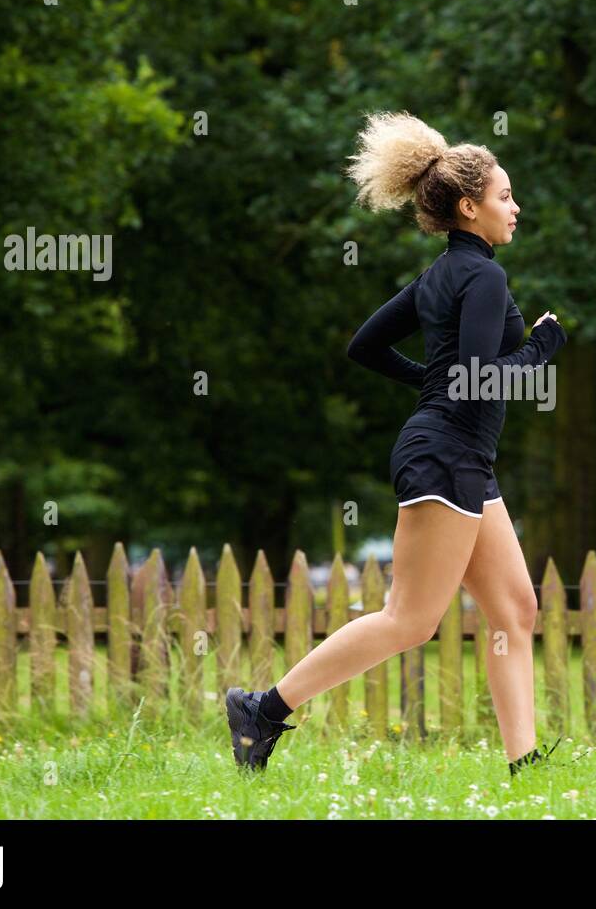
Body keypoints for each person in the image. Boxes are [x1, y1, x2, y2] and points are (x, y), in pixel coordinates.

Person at [226, 110, 569, 778]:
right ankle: (264, 709)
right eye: (505, 196)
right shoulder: (485, 277)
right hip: (447, 453)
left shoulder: (442, 276)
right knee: (410, 619)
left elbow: (367, 346)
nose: (515, 207)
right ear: (470, 207)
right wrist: (538, 351)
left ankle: (525, 764)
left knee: (514, 606)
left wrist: (429, 386)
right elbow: (473, 381)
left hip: (459, 453)